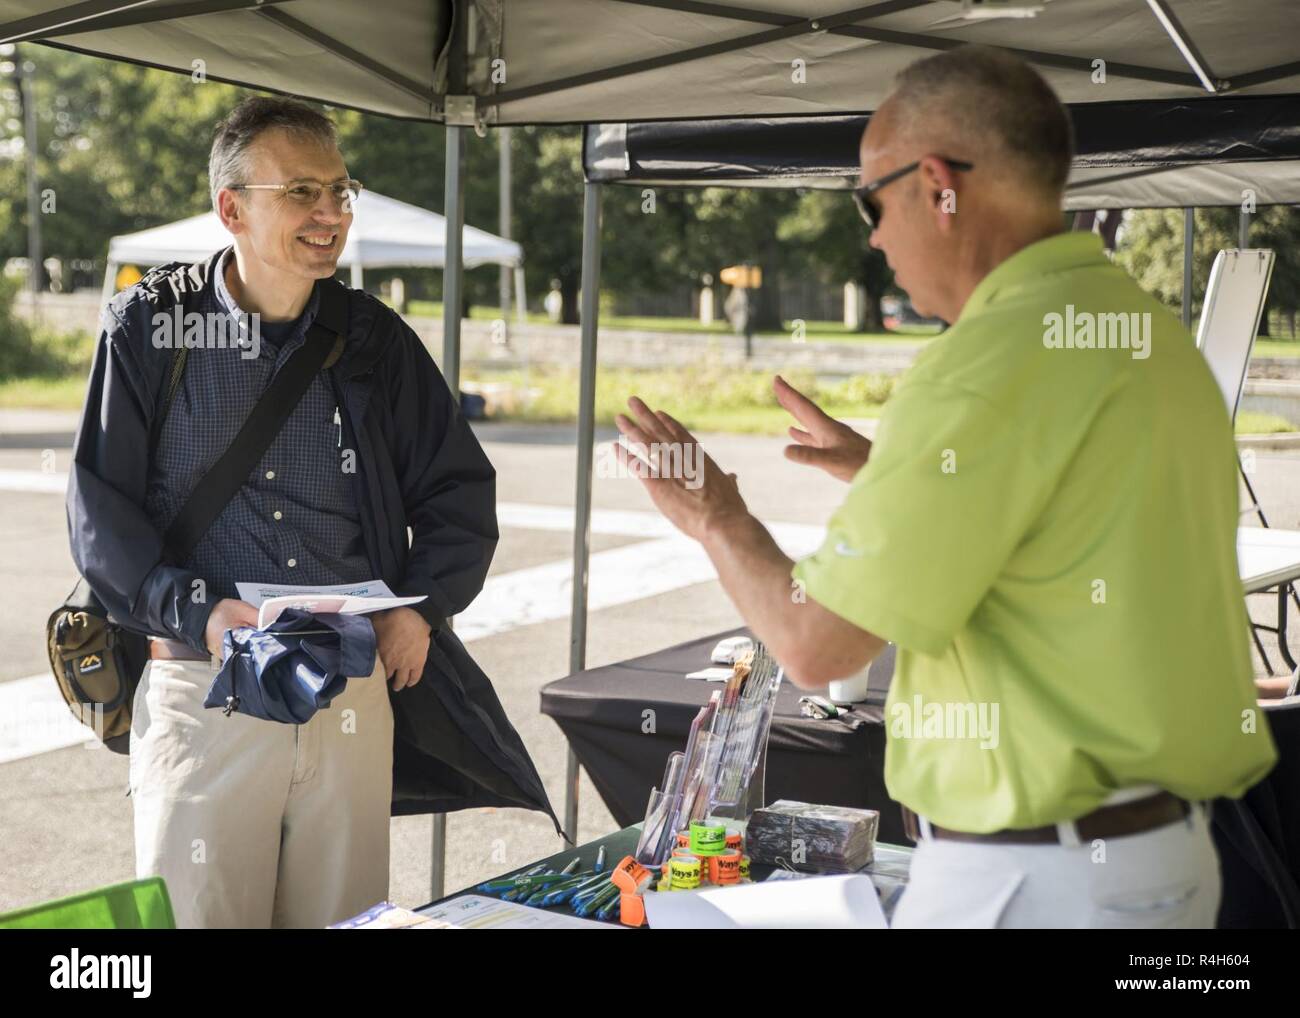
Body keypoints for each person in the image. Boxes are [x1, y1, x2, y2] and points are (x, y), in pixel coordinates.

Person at [612, 45, 1276, 928]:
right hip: (1161, 862)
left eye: (870, 202)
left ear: (936, 185)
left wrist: (716, 513)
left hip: (1036, 882)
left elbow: (817, 646)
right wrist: (892, 473)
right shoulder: (1145, 338)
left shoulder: (986, 365)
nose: (876, 236)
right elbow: (1065, 522)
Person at [67, 96, 556, 928]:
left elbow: (459, 493)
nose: (331, 214)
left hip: (353, 693)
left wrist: (422, 609)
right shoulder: (149, 328)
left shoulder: (375, 338)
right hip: (202, 690)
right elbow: (99, 519)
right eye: (301, 192)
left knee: (349, 925)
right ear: (232, 208)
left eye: (340, 190)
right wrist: (204, 614)